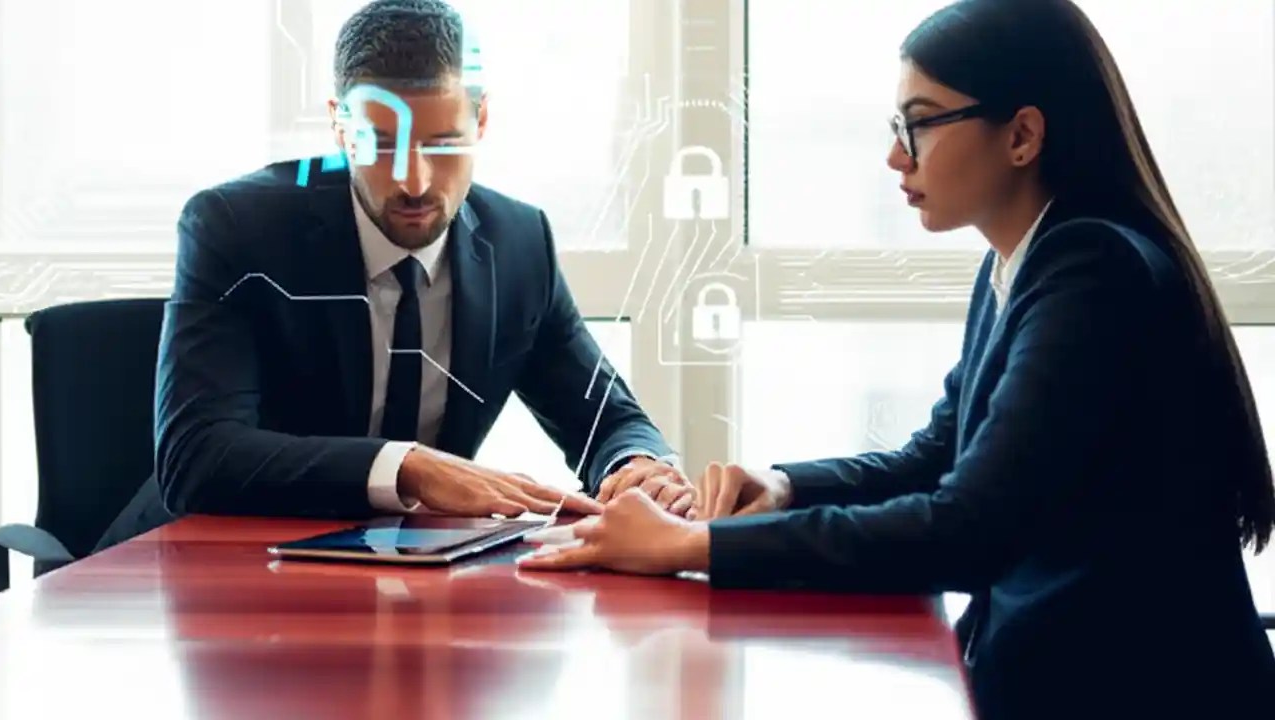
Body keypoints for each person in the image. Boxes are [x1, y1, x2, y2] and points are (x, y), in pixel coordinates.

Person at [521, 0, 1275, 716]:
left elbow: (967, 527)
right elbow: (937, 456)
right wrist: (781, 487)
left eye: (919, 125)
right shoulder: (1027, 260)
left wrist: (695, 545)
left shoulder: (1092, 273)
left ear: (1022, 136)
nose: (893, 156)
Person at [95, 0, 691, 551]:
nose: (414, 182)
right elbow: (197, 458)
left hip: (414, 580)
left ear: (481, 120)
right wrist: (407, 467)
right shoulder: (234, 229)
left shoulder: (519, 243)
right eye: (381, 144)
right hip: (203, 570)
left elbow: (606, 418)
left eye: (441, 143)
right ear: (338, 125)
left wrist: (636, 466)